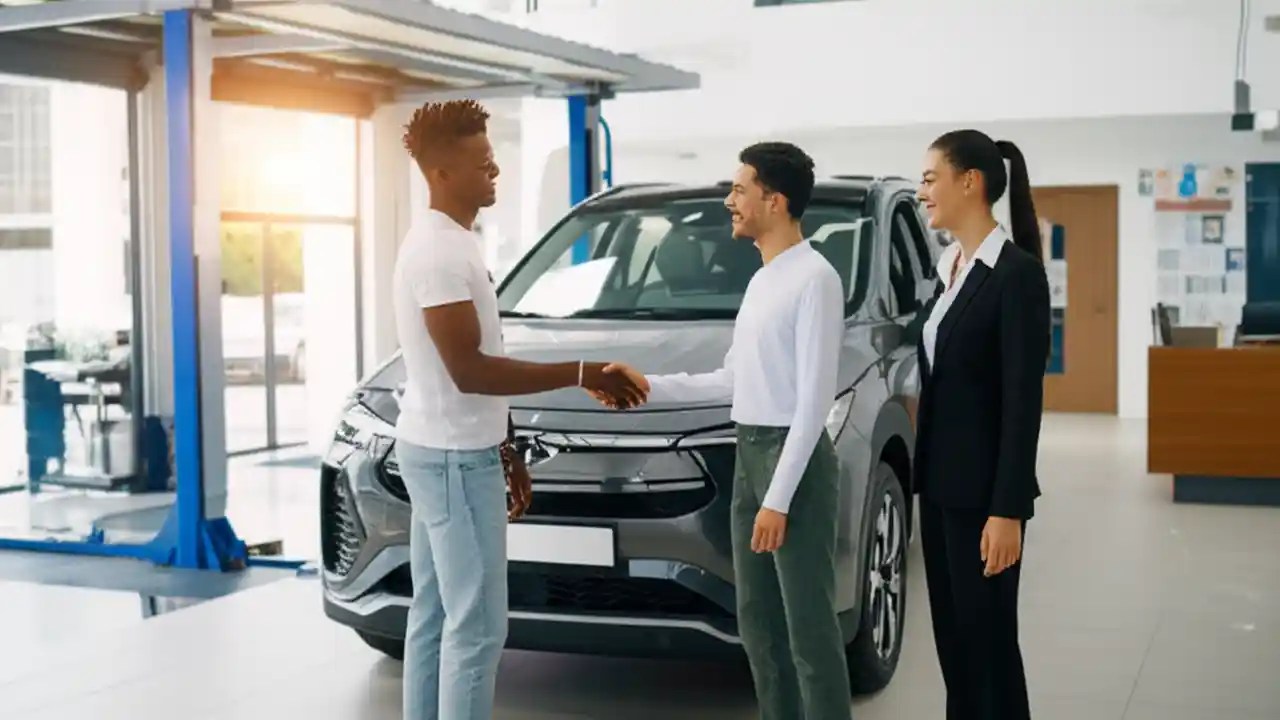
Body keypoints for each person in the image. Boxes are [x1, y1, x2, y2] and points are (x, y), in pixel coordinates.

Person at [392, 99, 647, 720]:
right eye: (481, 164)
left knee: (434, 613)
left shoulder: (451, 243)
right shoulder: (439, 253)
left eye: (493, 159)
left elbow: (478, 365)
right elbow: (470, 369)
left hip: (447, 449)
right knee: (477, 628)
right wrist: (583, 373)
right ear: (442, 175)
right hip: (452, 460)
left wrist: (507, 448)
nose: (495, 171)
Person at [597, 142, 852, 720]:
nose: (730, 201)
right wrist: (648, 386)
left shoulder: (816, 278)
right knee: (758, 624)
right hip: (750, 454)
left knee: (808, 629)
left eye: (740, 190)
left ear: (776, 199)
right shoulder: (763, 281)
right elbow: (731, 381)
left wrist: (778, 501)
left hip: (796, 465)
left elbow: (814, 404)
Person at [912, 129, 1050, 720]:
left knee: (989, 647)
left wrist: (1008, 509)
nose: (922, 192)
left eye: (928, 178)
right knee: (956, 650)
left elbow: (1023, 403)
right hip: (939, 487)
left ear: (969, 182)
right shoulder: (950, 270)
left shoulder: (1015, 274)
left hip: (983, 498)